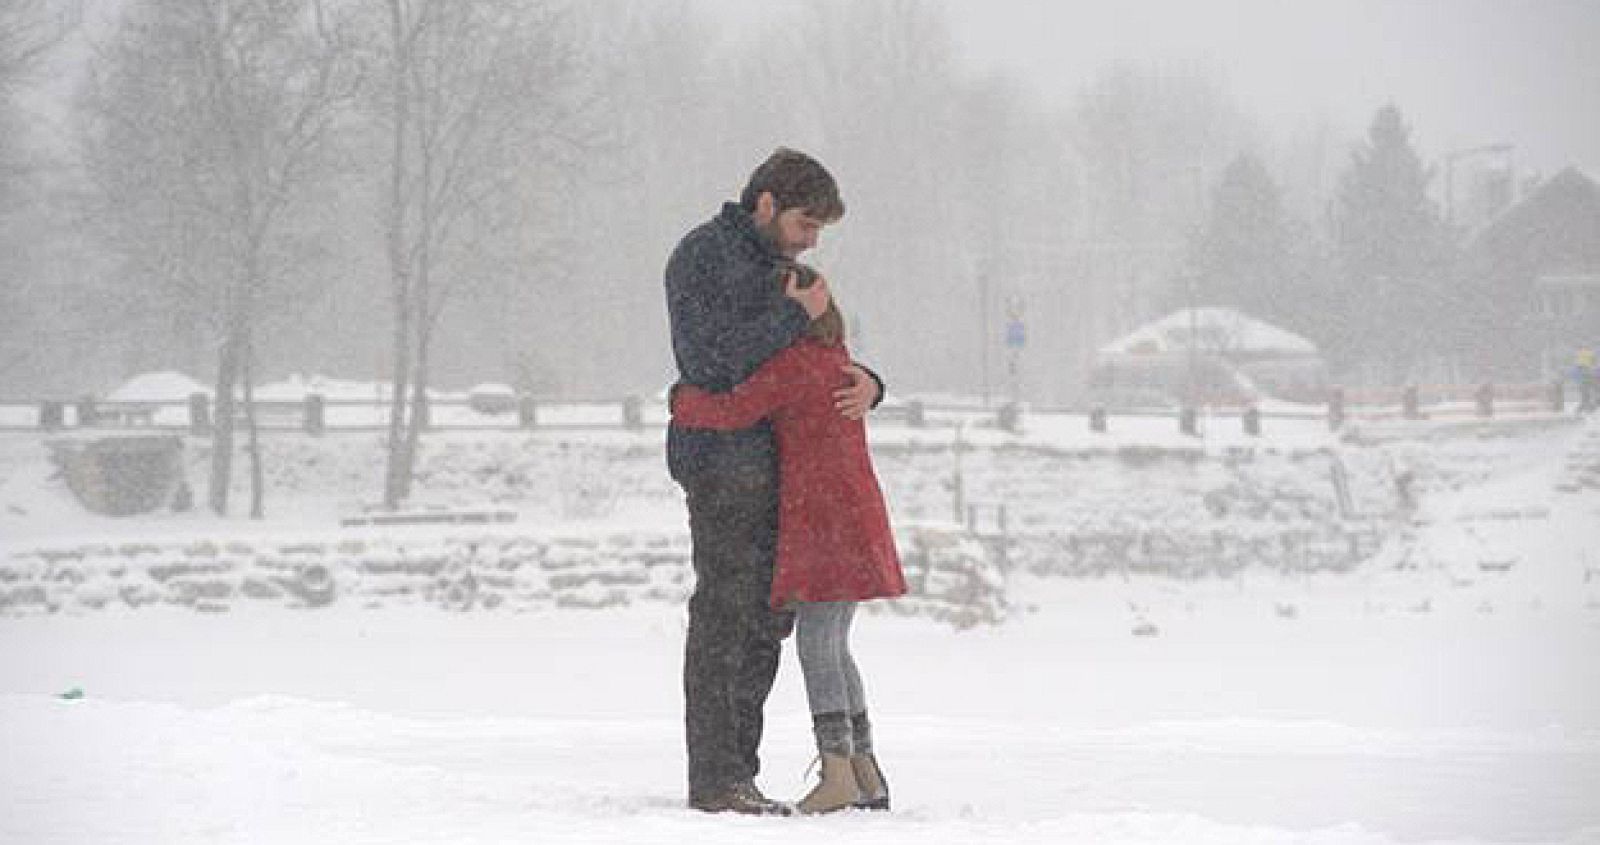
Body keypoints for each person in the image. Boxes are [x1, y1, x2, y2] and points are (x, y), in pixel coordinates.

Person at [665, 148, 883, 815]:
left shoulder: (773, 265)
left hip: (778, 473)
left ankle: (743, 772)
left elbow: (809, 360)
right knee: (726, 616)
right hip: (723, 465)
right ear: (766, 204)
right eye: (805, 222)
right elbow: (715, 362)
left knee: (768, 622)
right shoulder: (702, 256)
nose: (813, 239)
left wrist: (872, 384)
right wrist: (794, 316)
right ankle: (718, 777)